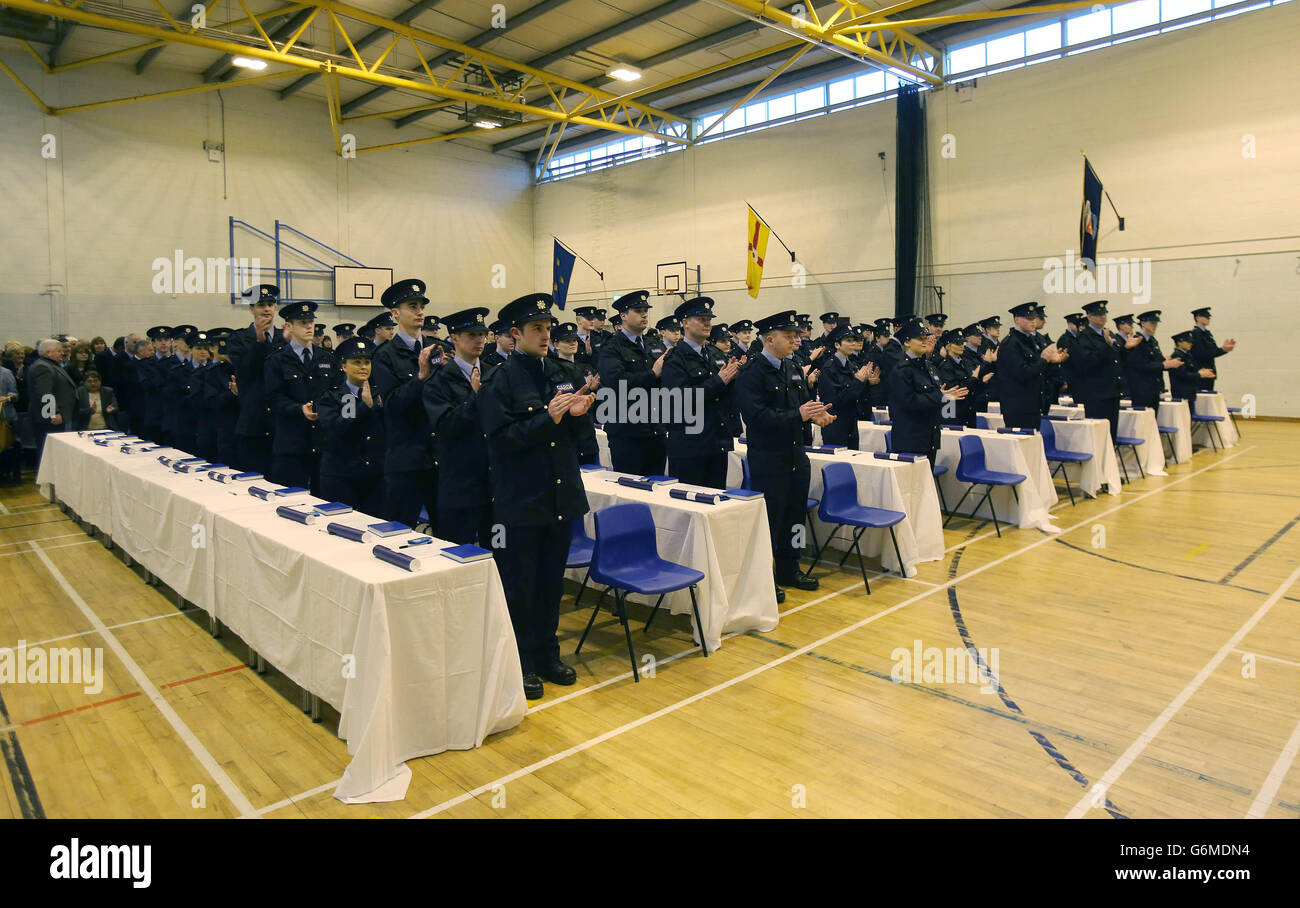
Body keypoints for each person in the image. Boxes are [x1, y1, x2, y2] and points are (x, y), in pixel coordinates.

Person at [478, 292, 595, 700]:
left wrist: (579, 417)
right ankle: (521, 660)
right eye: (536, 329)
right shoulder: (501, 379)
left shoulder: (563, 371)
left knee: (551, 582)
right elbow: (502, 440)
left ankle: (548, 652)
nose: (545, 336)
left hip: (560, 494)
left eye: (547, 329)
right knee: (520, 584)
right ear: (515, 333)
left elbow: (578, 439)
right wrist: (551, 417)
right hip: (521, 499)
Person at [734, 311, 833, 602]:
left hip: (795, 453)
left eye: (796, 336)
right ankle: (765, 574)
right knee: (771, 519)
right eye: (789, 337)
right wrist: (798, 415)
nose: (795, 341)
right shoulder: (752, 372)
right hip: (769, 457)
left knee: (796, 516)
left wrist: (816, 416)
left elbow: (802, 404)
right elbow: (756, 417)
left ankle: (790, 567)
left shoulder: (792, 367)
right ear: (769, 339)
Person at [422, 307, 497, 545]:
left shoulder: (495, 374)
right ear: (454, 338)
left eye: (482, 335)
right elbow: (445, 426)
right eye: (471, 335)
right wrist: (474, 400)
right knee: (455, 549)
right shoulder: (439, 381)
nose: (479, 340)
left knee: (498, 550)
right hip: (460, 481)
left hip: (495, 480)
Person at [371, 279, 439, 528]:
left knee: (446, 536)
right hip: (406, 458)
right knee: (400, 533)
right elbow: (392, 405)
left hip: (438, 457)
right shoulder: (384, 356)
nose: (420, 311)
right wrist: (420, 378)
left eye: (422, 306)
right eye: (413, 306)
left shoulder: (438, 350)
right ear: (395, 313)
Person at [660, 297, 743, 488]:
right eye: (701, 319)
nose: (707, 323)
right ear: (685, 323)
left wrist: (734, 379)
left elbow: (725, 396)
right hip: (689, 447)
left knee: (716, 501)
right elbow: (679, 398)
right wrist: (719, 381)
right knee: (689, 505)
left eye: (709, 319)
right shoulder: (675, 358)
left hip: (716, 443)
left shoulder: (715, 355)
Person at [597, 289, 667, 476]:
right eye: (638, 310)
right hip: (627, 432)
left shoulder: (654, 344)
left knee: (658, 488)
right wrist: (652, 374)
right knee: (632, 488)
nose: (644, 314)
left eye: (645, 310)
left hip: (655, 429)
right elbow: (616, 383)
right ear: (623, 316)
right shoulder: (611, 347)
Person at [264, 302, 332, 491]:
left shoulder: (326, 358)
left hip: (322, 442)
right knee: (291, 503)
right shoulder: (277, 360)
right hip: (291, 442)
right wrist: (299, 409)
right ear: (288, 327)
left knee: (325, 503)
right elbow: (273, 398)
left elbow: (336, 391)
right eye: (303, 322)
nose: (310, 326)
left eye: (310, 321)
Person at [315, 336, 386, 514]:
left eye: (367, 362)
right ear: (343, 366)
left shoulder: (380, 394)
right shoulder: (336, 396)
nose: (363, 367)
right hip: (342, 476)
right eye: (356, 362)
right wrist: (364, 406)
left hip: (374, 477)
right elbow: (340, 428)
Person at [888, 319, 970, 467]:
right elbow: (909, 402)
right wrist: (941, 396)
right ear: (907, 342)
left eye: (926, 338)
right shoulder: (901, 370)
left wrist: (944, 397)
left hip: (929, 436)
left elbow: (937, 395)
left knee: (926, 484)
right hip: (911, 438)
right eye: (920, 339)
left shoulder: (928, 366)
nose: (925, 342)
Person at [229, 285, 281, 474]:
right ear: (251, 309)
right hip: (253, 422)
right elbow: (244, 370)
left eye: (270, 304)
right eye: (261, 305)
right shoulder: (239, 338)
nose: (267, 309)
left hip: (281, 425)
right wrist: (259, 341)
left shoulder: (286, 338)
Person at [996, 302, 1068, 431]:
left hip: (1033, 403)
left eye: (1034, 318)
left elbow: (1040, 373)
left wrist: (1052, 362)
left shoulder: (1031, 340)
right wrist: (1045, 360)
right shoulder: (1010, 344)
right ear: (1017, 320)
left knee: (1033, 445)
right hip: (1018, 406)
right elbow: (1023, 373)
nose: (1033, 322)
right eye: (1028, 319)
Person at [817, 323, 880, 450]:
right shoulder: (829, 368)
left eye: (854, 340)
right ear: (837, 345)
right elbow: (836, 400)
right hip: (836, 424)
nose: (853, 344)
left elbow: (856, 393)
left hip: (851, 422)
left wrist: (866, 383)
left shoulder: (850, 365)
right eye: (848, 340)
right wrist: (858, 381)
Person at [1069, 300, 1123, 441]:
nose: (1102, 317)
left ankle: (1110, 461)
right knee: (1099, 436)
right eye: (1098, 315)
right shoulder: (1083, 338)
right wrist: (1106, 345)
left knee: (1112, 434)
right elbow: (1088, 363)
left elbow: (1117, 360)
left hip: (1112, 391)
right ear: (1089, 317)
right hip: (1097, 394)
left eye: (1104, 314)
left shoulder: (1110, 335)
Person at [548, 321, 600, 466]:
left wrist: (593, 389)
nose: (573, 344)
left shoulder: (582, 367)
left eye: (574, 340)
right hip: (569, 437)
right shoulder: (552, 370)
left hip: (587, 435)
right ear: (556, 345)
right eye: (567, 341)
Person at [27, 339, 76, 463]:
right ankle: (49, 481)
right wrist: (54, 412)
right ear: (48, 353)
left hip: (53, 417)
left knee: (54, 451)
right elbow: (44, 394)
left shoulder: (50, 365)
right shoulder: (43, 367)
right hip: (49, 419)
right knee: (49, 452)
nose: (62, 353)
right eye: (59, 351)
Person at [1123, 311, 1183, 410]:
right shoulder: (1136, 341)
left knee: (1152, 421)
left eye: (1156, 323)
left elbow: (1157, 360)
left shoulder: (1152, 341)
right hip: (1142, 388)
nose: (1154, 326)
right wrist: (1165, 365)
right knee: (1144, 421)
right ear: (1142, 323)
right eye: (1152, 323)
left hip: (1154, 387)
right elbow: (1140, 365)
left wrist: (1169, 362)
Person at [203, 334, 240, 467]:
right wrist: (232, 393)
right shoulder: (214, 372)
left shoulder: (244, 368)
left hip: (248, 428)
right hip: (226, 428)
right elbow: (211, 401)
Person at [936, 329, 982, 427]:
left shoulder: (965, 362)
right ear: (949, 346)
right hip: (954, 411)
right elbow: (957, 389)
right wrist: (974, 378)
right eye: (958, 343)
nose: (962, 346)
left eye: (962, 343)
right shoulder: (946, 366)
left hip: (968, 408)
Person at [1189, 307, 1235, 391]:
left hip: (1209, 371)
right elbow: (1201, 354)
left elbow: (1213, 351)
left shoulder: (1207, 333)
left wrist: (1224, 349)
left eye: (1208, 316)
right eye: (1205, 316)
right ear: (1197, 318)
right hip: (1202, 371)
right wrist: (1222, 349)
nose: (1208, 318)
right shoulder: (1196, 333)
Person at [1169, 331, 1216, 401]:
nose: (1190, 344)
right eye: (1188, 342)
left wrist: (1201, 371)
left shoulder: (1188, 355)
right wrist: (1199, 374)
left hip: (1190, 391)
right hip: (1181, 392)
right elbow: (1183, 374)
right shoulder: (1177, 356)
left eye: (1191, 342)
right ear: (1179, 343)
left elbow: (1192, 369)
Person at [0, 358, 21, 484]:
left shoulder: (5, 373)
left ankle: (7, 475)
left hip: (5, 417)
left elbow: (15, 394)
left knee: (7, 447)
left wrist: (7, 398)